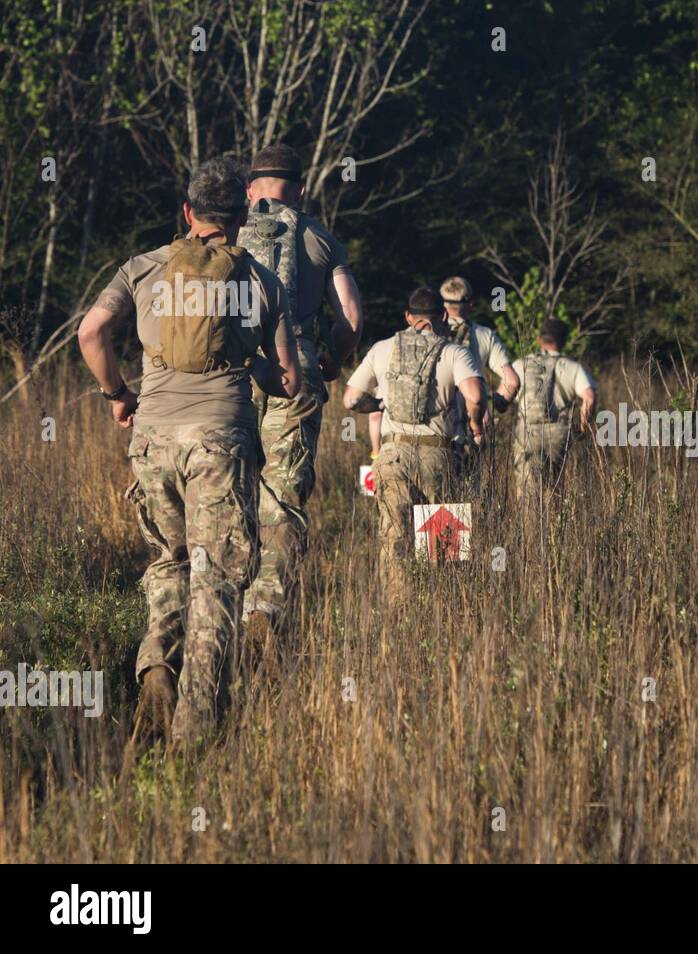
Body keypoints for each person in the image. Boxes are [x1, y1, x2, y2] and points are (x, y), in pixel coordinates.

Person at [76, 157, 300, 751]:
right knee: (218, 577)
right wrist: (253, 364)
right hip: (218, 442)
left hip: (151, 441)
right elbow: (287, 382)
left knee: (167, 564)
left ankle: (155, 679)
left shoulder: (143, 269)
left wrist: (117, 394)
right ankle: (195, 730)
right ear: (240, 219)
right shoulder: (260, 282)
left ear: (187, 213)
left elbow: (90, 333)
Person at [237, 143, 364, 655]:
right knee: (283, 496)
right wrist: (334, 356)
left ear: (250, 190)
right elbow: (352, 315)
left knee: (229, 490)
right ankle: (264, 609)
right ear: (303, 190)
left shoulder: (224, 234)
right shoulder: (319, 238)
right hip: (300, 368)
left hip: (234, 372)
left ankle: (222, 603)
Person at [343, 287, 486, 589]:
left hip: (392, 455)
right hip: (440, 456)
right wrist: (475, 426)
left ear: (408, 317)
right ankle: (441, 607)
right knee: (444, 546)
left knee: (394, 538)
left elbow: (351, 400)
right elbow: (475, 395)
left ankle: (398, 612)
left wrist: (378, 405)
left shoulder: (382, 349)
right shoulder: (454, 351)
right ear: (443, 316)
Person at [511, 318, 596, 500]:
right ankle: (553, 525)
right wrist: (582, 426)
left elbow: (503, 395)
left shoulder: (520, 365)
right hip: (558, 432)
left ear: (539, 339)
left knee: (528, 490)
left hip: (526, 432)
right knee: (554, 488)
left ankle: (529, 527)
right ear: (563, 340)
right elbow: (589, 397)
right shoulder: (573, 367)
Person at [439, 276, 519, 458]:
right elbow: (511, 381)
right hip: (471, 428)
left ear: (442, 305)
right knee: (468, 483)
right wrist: (494, 404)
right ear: (470, 305)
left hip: (433, 427)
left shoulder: (429, 333)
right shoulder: (485, 335)